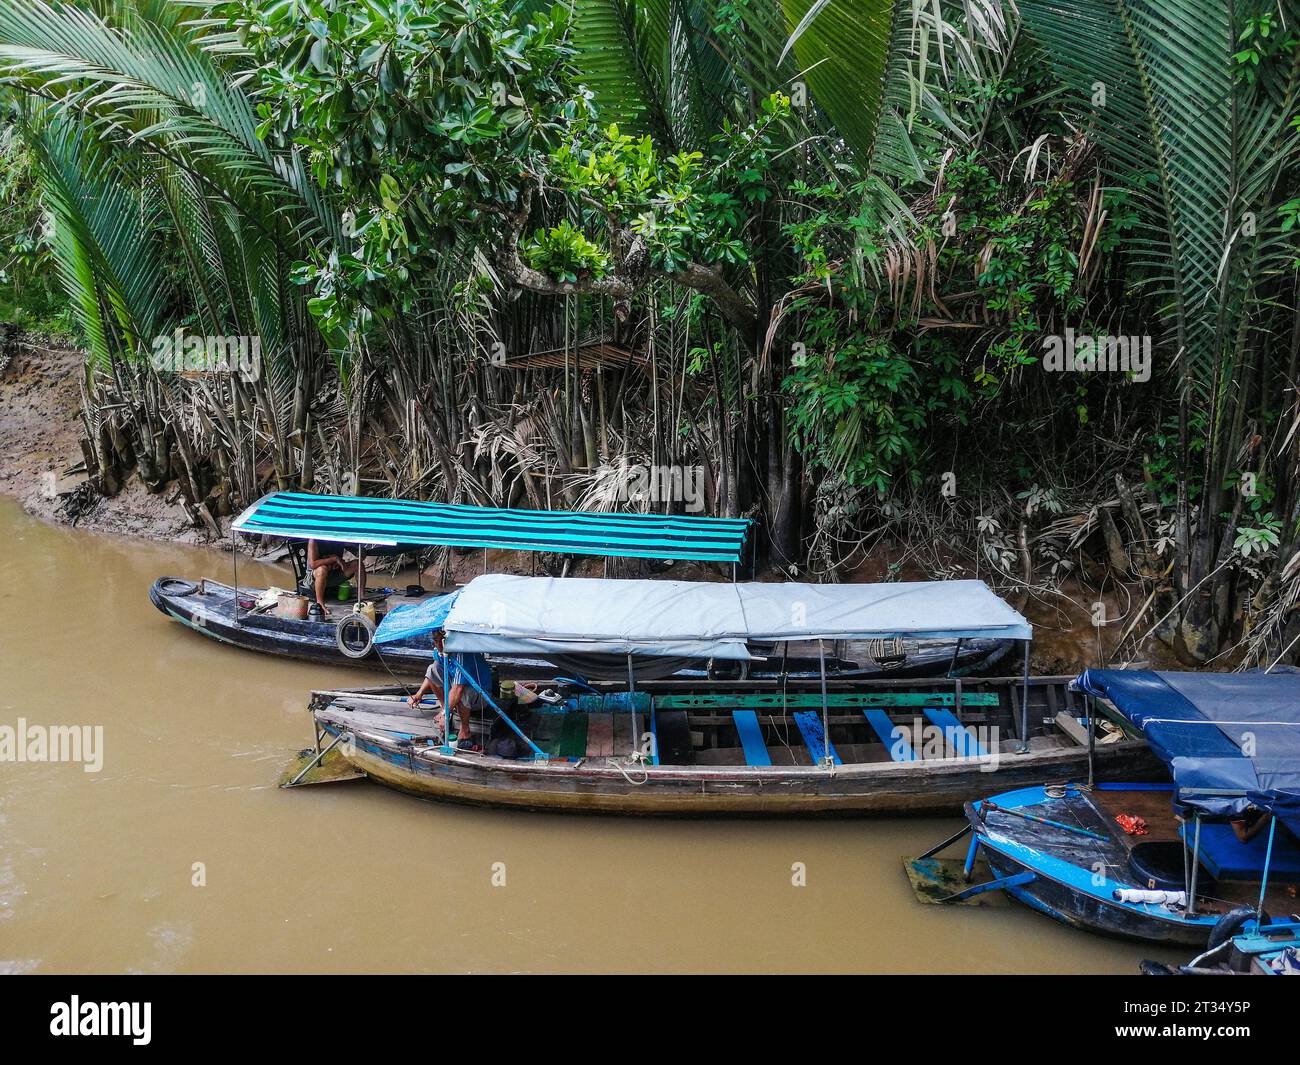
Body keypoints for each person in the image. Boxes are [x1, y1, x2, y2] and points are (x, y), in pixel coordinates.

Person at [407, 631, 490, 752]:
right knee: (432, 668)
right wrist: (419, 694)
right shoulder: (439, 652)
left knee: (463, 693)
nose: (439, 645)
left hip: (481, 696)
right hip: (457, 688)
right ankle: (446, 708)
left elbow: (458, 689)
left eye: (443, 641)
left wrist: (444, 715)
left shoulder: (462, 654)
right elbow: (432, 674)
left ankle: (465, 730)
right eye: (436, 641)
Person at [306, 538, 363, 618]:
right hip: (314, 578)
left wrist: (338, 563)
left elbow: (359, 553)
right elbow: (313, 564)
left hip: (333, 574)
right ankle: (319, 603)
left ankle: (362, 596)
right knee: (322, 570)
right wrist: (334, 559)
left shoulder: (339, 538)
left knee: (357, 564)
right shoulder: (314, 539)